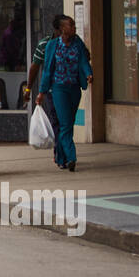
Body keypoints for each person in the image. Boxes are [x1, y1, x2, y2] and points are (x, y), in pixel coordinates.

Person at [36, 15, 93, 171]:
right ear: (62, 29)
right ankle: (71, 157)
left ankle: (62, 157)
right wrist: (41, 92)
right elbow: (47, 71)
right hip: (58, 89)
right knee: (65, 125)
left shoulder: (77, 43)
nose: (74, 28)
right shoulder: (52, 45)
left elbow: (83, 61)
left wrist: (89, 73)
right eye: (71, 25)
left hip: (74, 88)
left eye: (74, 25)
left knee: (68, 124)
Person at [27, 15, 65, 165]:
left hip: (69, 89)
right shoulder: (46, 44)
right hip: (52, 90)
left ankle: (64, 152)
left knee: (66, 123)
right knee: (57, 122)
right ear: (58, 29)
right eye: (67, 26)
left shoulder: (74, 43)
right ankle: (61, 154)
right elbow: (35, 67)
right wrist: (29, 89)